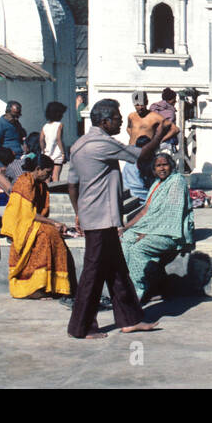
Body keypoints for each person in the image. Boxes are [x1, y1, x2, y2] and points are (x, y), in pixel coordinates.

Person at [64, 99, 166, 339]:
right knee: (93, 273)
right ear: (105, 121)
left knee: (117, 271)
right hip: (101, 219)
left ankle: (130, 319)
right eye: (118, 118)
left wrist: (79, 211)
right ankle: (81, 327)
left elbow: (72, 185)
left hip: (97, 216)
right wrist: (159, 135)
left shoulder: (79, 144)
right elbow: (141, 156)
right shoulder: (101, 143)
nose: (122, 121)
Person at [0, 153, 75, 301]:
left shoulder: (41, 185)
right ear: (38, 169)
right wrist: (54, 223)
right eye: (47, 173)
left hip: (29, 220)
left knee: (51, 233)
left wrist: (54, 224)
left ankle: (52, 284)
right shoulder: (24, 182)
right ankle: (34, 287)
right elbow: (28, 214)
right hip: (18, 223)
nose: (48, 177)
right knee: (45, 234)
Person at [122, 151, 194, 302]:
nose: (162, 168)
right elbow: (145, 211)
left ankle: (138, 291)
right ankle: (129, 287)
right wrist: (125, 227)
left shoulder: (176, 181)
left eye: (165, 165)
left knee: (138, 250)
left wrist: (148, 233)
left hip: (169, 233)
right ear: (153, 169)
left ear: (171, 166)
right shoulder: (157, 183)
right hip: (153, 229)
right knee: (125, 240)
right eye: (158, 166)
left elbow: (171, 213)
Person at [41, 101, 68, 183]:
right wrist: (63, 153)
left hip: (47, 154)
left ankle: (47, 193)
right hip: (57, 154)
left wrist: (43, 150)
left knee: (47, 177)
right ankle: (55, 193)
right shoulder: (59, 125)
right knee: (55, 176)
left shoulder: (45, 126)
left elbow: (41, 139)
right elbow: (58, 139)